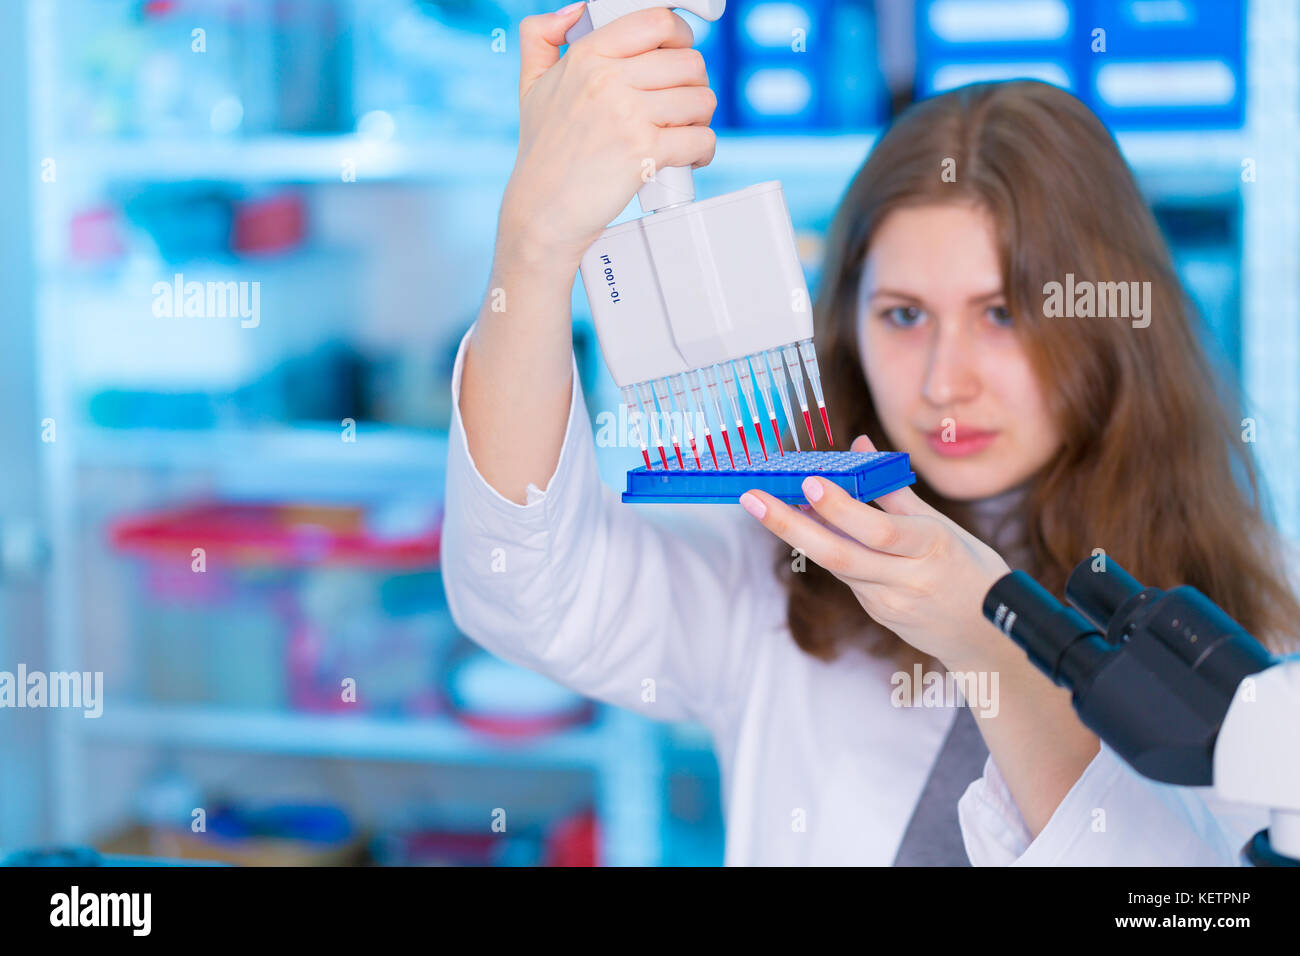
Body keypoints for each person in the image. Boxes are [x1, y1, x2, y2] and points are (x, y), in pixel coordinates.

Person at [442, 4, 1299, 864]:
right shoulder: (779, 559)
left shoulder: (1252, 631)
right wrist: (535, 242)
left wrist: (989, 647)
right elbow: (524, 592)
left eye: (1002, 313)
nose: (942, 381)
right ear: (847, 321)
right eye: (902, 314)